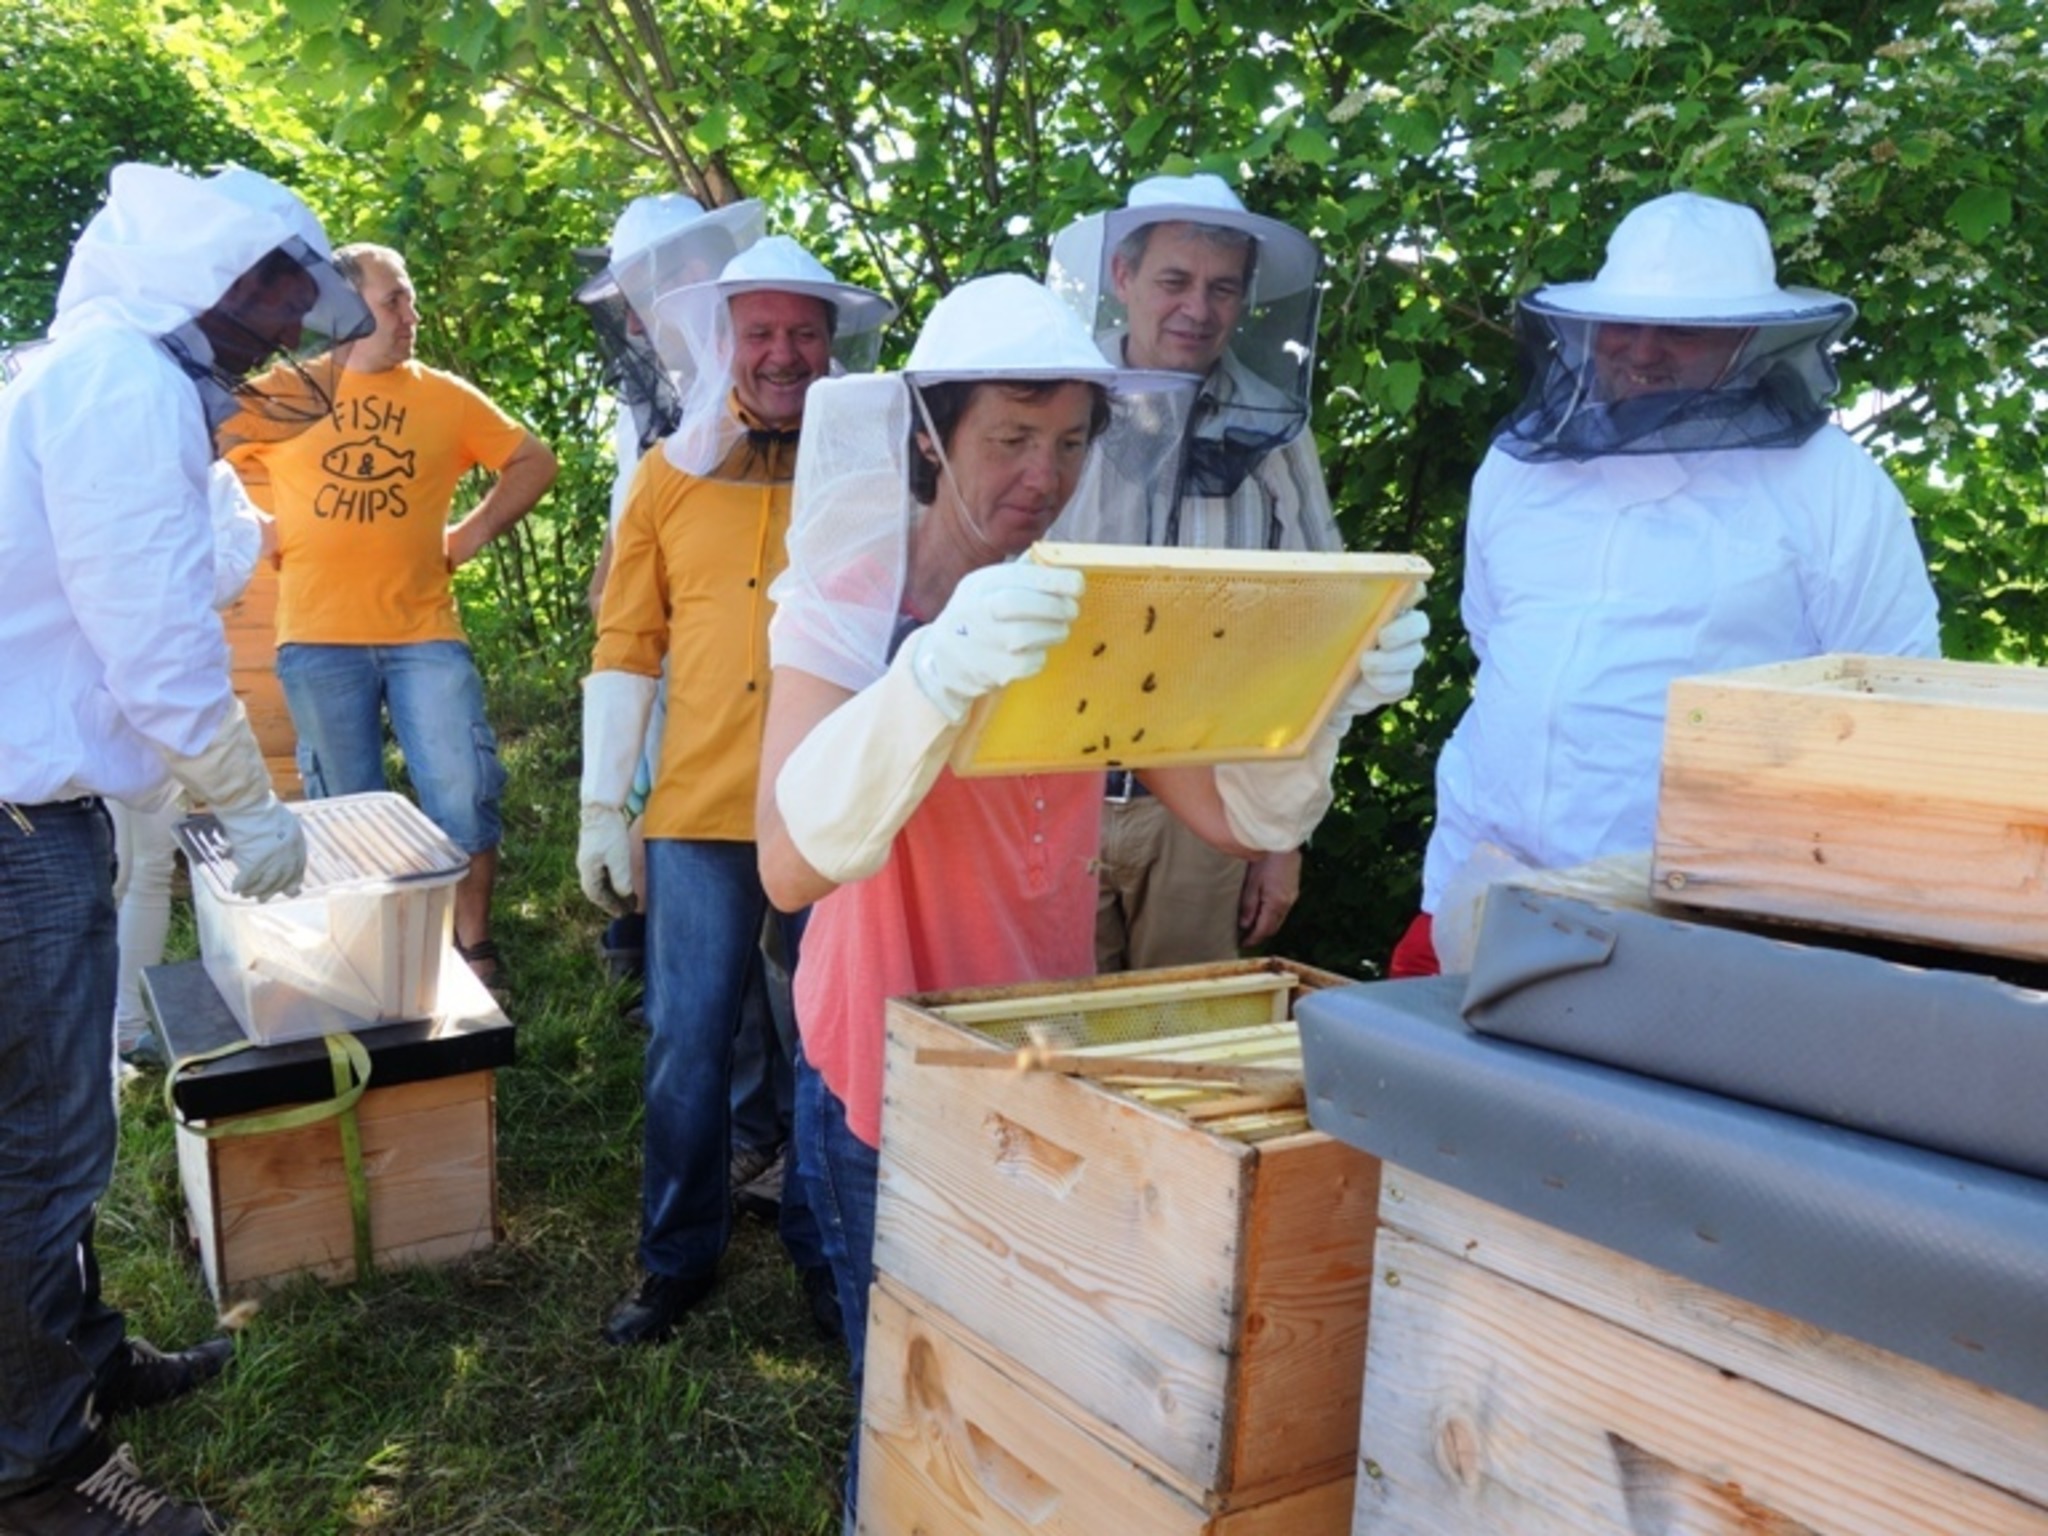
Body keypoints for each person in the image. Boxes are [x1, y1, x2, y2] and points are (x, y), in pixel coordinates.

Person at [753, 273, 1428, 1518]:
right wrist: (932, 675)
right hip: (881, 1067)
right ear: (927, 436)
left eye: (1068, 442)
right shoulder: (847, 601)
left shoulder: (1078, 598)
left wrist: (1317, 711)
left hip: (1041, 1052)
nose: (1042, 474)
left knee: (1011, 1380)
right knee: (902, 1395)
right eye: (1010, 439)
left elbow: (1227, 812)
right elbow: (790, 862)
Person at [0, 161, 371, 1536]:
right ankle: (37, 1470)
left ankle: (77, 1363)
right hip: (15, 824)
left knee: (60, 1130)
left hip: (41, 815)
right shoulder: (116, 384)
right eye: (277, 287)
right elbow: (149, 639)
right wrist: (247, 798)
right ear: (205, 273)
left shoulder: (99, 374)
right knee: (34, 1151)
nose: (288, 324)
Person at [1394, 191, 1941, 976]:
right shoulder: (1521, 466)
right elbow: (1497, 638)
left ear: (1745, 337)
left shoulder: (1831, 484)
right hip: (1475, 887)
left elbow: (1898, 704)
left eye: (1681, 330)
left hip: (1691, 929)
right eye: (1624, 322)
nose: (1642, 350)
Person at [577, 235, 895, 1346]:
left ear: (831, 344)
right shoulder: (668, 476)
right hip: (701, 810)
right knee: (686, 1039)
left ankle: (824, 1247)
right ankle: (675, 1257)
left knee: (826, 1043)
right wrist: (598, 805)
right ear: (724, 345)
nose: (783, 353)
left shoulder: (878, 475)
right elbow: (626, 645)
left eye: (803, 332)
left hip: (832, 808)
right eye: (759, 332)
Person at [227, 243, 559, 995]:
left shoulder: (446, 395)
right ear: (342, 312)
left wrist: (467, 537)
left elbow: (533, 461)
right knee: (345, 806)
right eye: (393, 302)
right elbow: (197, 448)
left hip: (424, 636)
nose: (411, 315)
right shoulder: (283, 392)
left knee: (463, 788)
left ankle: (471, 945)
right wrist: (254, 528)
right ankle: (373, 952)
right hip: (316, 638)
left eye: (409, 297)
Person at [1048, 173, 1342, 970]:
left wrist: (1282, 836)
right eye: (1174, 281)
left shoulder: (1274, 431)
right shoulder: (1056, 403)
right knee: (1043, 1055)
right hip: (1052, 795)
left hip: (1207, 813)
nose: (1197, 308)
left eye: (1222, 288)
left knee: (1176, 1048)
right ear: (1122, 278)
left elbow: (1323, 627)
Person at [109, 465, 273, 1068]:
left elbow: (229, 561)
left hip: (166, 680)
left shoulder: (210, 470)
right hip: (78, 694)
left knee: (151, 861)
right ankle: (84, 1039)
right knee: (107, 867)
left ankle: (127, 1027)